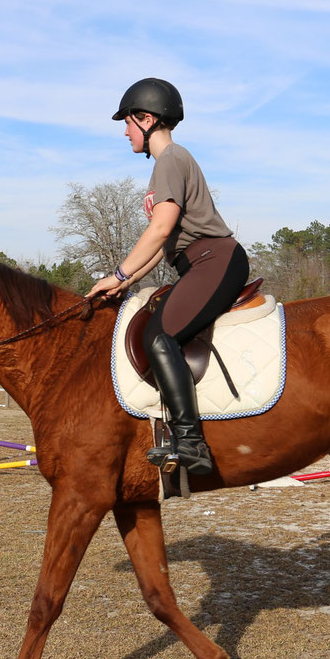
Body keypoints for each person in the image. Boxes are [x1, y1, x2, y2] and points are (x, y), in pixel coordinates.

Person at [88, 78, 249, 475]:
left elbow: (160, 229)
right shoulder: (167, 165)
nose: (125, 133)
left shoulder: (171, 160)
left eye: (127, 123)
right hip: (197, 261)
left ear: (146, 118)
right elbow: (164, 245)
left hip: (215, 259)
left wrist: (119, 271)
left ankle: (191, 444)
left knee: (159, 335)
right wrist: (122, 282)